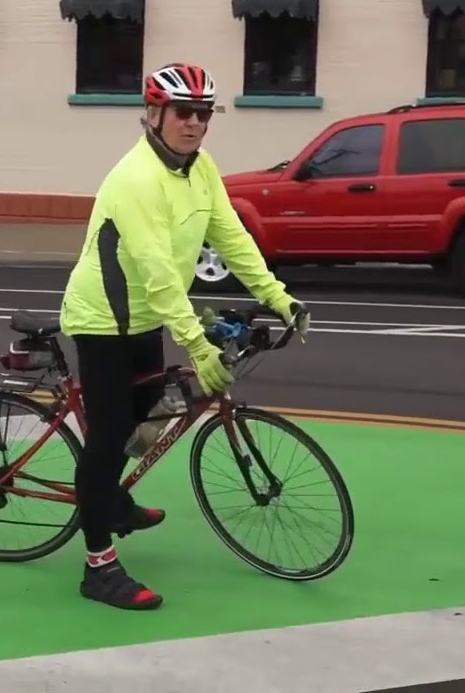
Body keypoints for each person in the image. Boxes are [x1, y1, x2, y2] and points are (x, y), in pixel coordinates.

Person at [58, 62, 311, 611]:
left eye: (204, 113)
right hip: (104, 320)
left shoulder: (200, 168)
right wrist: (197, 345)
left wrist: (278, 296)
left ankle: (110, 500)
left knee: (149, 411)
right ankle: (98, 565)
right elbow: (157, 271)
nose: (195, 123)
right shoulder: (135, 179)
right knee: (107, 439)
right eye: (183, 112)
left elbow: (231, 237)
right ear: (154, 115)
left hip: (146, 317)